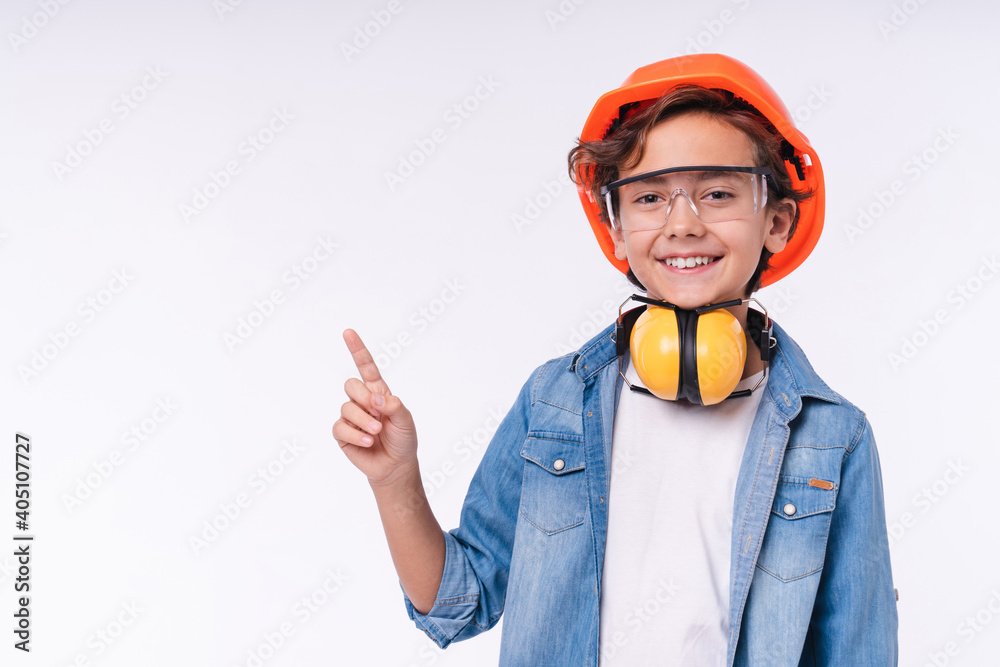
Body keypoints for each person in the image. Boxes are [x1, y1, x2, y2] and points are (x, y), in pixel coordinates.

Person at [334, 54, 899, 666]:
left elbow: (860, 652)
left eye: (716, 192)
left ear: (778, 221)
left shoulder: (834, 436)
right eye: (651, 196)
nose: (682, 223)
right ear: (617, 226)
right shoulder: (555, 401)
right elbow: (457, 606)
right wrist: (395, 482)